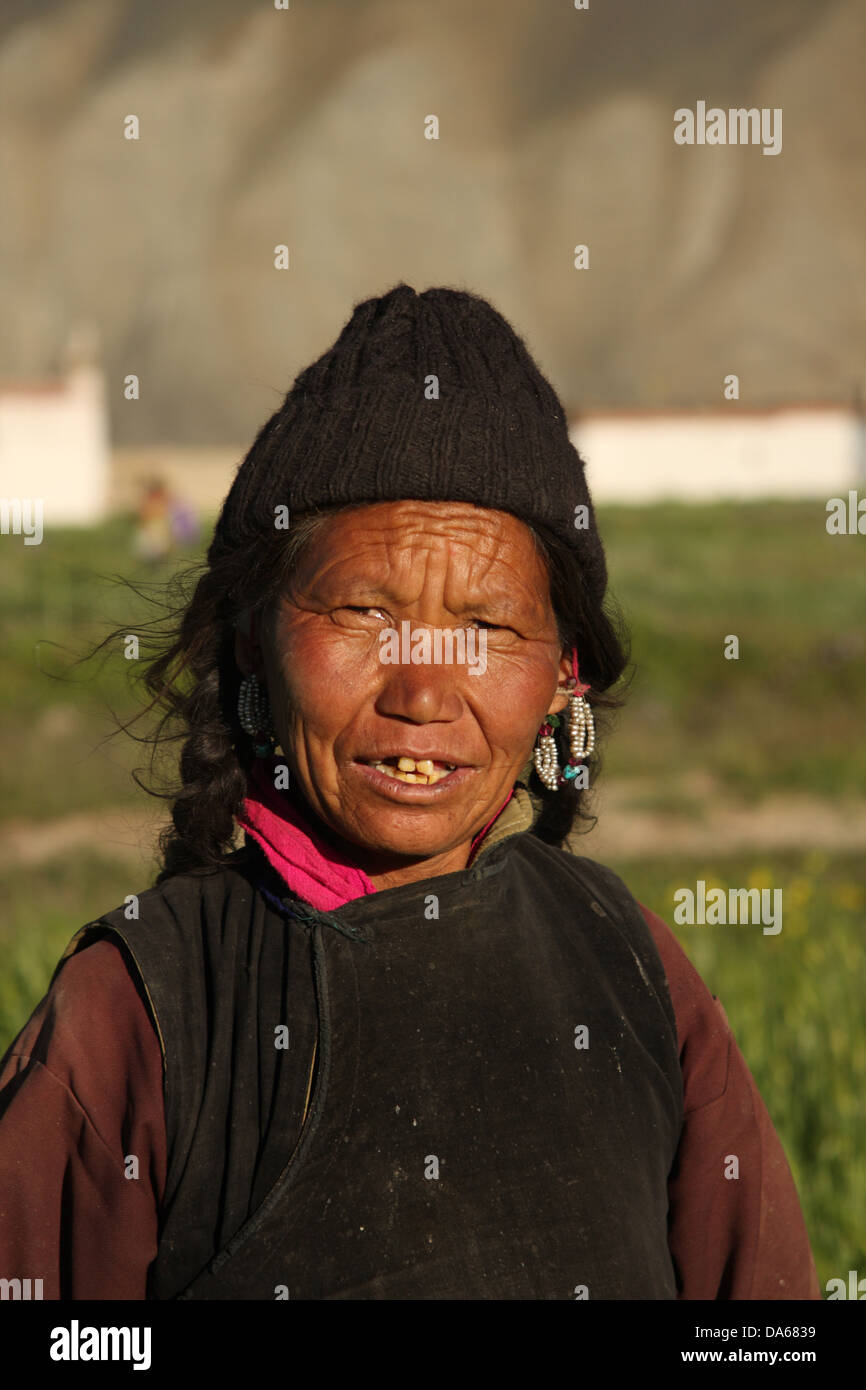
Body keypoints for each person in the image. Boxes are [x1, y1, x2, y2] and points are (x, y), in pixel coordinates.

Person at [0, 284, 820, 1300]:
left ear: (562, 672)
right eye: (362, 609)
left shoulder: (635, 971)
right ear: (257, 641)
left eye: (484, 627)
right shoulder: (137, 1013)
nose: (424, 688)